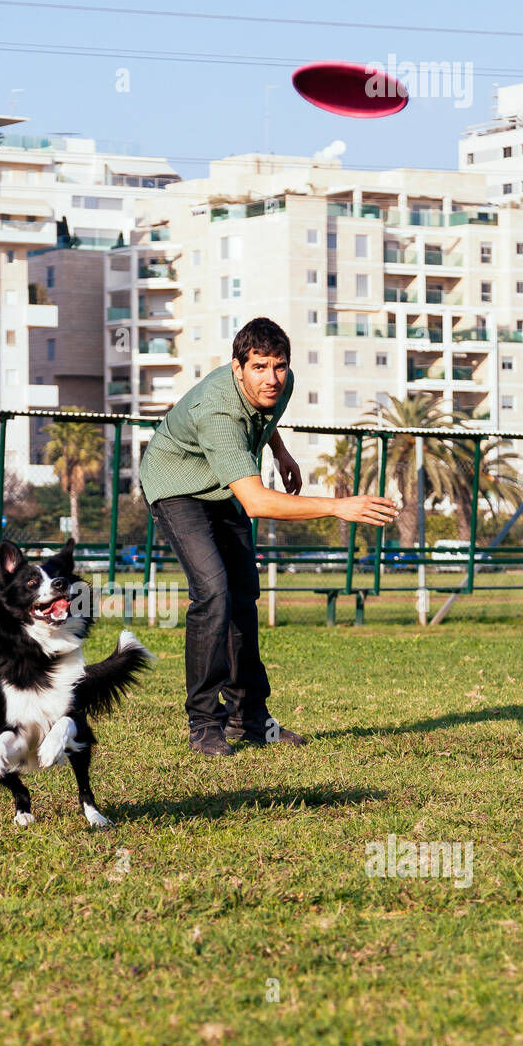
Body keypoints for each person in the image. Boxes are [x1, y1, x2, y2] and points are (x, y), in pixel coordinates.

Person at [138, 316, 397, 757]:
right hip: (177, 485)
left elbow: (263, 413)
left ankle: (250, 718)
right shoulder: (217, 413)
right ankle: (204, 723)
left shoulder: (282, 383)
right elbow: (258, 502)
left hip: (222, 485)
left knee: (243, 596)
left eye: (278, 365)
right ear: (237, 368)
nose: (271, 378)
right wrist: (338, 505)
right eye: (259, 367)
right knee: (214, 594)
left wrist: (279, 449)